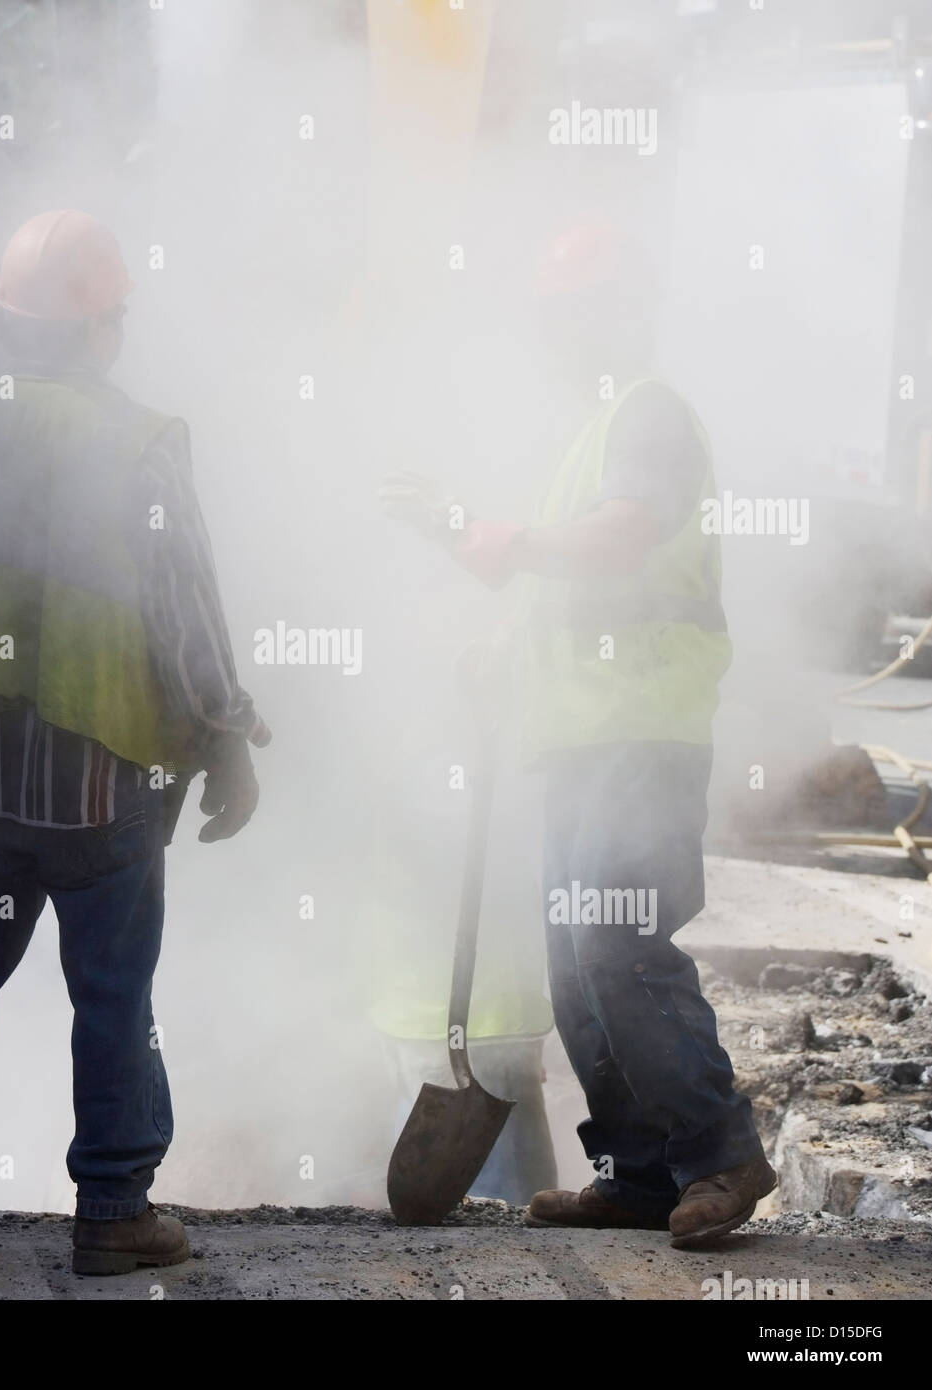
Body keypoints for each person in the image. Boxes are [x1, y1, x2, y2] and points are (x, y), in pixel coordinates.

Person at [0, 209, 270, 1275]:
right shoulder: (141, 441)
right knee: (112, 998)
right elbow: (186, 613)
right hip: (104, 786)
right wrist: (227, 735)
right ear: (104, 326)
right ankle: (110, 1213)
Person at [380, 222, 775, 1249]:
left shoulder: (645, 418)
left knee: (621, 945)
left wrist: (508, 546)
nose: (554, 338)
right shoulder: (595, 427)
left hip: (639, 738)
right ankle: (637, 1171)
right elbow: (576, 599)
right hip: (581, 740)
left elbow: (623, 539)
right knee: (575, 962)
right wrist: (503, 656)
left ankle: (719, 1152)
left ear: (615, 314)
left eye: (570, 317)